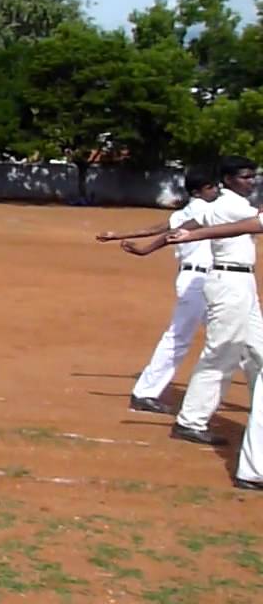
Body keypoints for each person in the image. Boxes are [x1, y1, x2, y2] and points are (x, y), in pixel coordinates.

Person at [119, 156, 263, 447]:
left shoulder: (222, 206)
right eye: (245, 177)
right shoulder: (230, 206)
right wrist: (155, 243)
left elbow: (182, 228)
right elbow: (254, 223)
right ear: (228, 180)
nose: (252, 182)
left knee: (257, 350)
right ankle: (191, 420)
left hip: (240, 282)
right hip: (228, 282)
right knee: (220, 354)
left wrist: (147, 248)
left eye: (253, 176)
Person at [96, 172, 221, 413]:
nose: (215, 190)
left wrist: (118, 235)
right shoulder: (204, 211)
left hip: (205, 279)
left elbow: (156, 228)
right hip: (198, 279)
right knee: (180, 338)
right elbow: (167, 233)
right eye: (211, 187)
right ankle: (145, 392)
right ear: (198, 191)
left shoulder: (187, 211)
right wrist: (144, 250)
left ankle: (146, 392)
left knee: (234, 335)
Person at [166, 215, 263, 490]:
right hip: (228, 283)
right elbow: (250, 224)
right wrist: (191, 236)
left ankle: (255, 469)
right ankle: (255, 470)